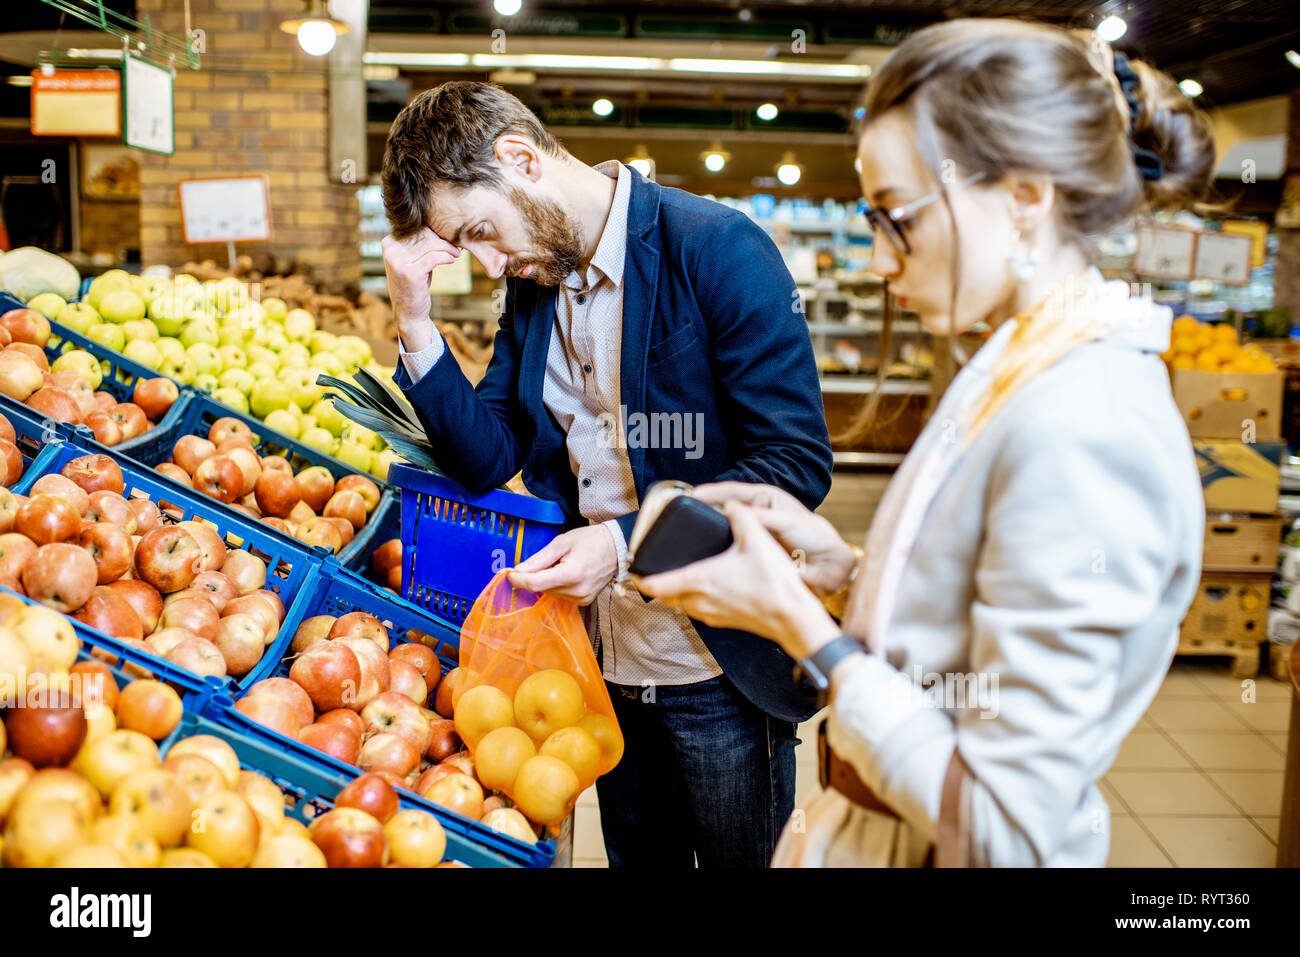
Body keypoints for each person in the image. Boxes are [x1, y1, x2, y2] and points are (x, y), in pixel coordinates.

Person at [633, 17, 1215, 867]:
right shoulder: (1022, 362)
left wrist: (799, 625)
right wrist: (844, 570)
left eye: (897, 217)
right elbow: (982, 614)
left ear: (1024, 196)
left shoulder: (1087, 420)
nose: (877, 257)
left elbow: (1004, 829)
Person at [379, 81, 833, 867]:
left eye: (482, 231)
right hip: (597, 667)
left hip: (715, 663)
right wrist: (414, 323)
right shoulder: (533, 284)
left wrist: (621, 545)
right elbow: (492, 453)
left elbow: (793, 464)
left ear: (521, 158)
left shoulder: (715, 248)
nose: (491, 264)